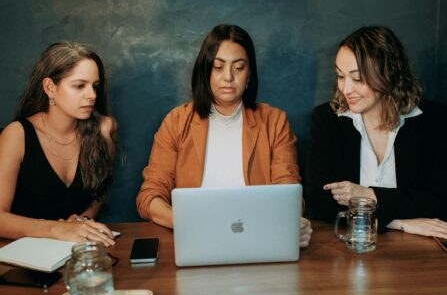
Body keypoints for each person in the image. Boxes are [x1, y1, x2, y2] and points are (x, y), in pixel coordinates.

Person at [137, 24, 312, 247]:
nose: (228, 77)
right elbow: (149, 197)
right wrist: (186, 222)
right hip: (195, 240)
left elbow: (289, 193)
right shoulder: (177, 122)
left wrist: (292, 223)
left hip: (258, 239)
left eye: (238, 68)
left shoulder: (274, 121)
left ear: (249, 75)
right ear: (205, 71)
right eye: (218, 67)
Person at [305, 26, 447, 238]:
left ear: (387, 74)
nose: (346, 89)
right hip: (350, 246)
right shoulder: (327, 120)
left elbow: (439, 201)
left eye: (358, 78)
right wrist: (397, 221)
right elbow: (320, 201)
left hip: (419, 254)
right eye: (340, 76)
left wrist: (368, 194)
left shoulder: (434, 120)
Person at [0, 41, 116, 246]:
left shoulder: (103, 129)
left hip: (79, 250)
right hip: (24, 257)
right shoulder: (17, 135)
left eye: (94, 86)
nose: (92, 95)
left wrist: (83, 221)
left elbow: (100, 192)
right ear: (49, 87)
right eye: (79, 85)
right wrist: (57, 229)